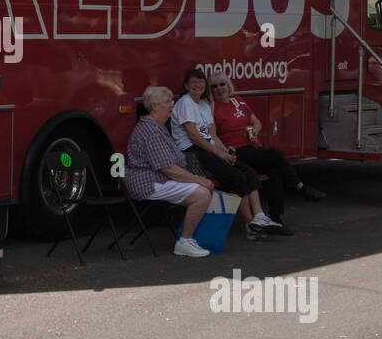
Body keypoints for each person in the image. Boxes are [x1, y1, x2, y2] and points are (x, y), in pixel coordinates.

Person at [171, 67, 285, 239]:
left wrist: (225, 151)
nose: (198, 85)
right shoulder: (185, 103)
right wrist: (219, 154)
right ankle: (250, 225)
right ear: (186, 85)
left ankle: (260, 217)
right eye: (193, 82)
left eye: (201, 82)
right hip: (193, 152)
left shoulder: (203, 104)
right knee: (236, 177)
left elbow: (212, 135)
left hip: (209, 148)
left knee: (248, 171)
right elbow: (194, 136)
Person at [208, 71, 325, 230]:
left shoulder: (238, 101)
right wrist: (223, 152)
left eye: (222, 84)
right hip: (237, 151)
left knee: (274, 170)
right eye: (214, 86)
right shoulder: (212, 108)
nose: (219, 88)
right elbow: (212, 135)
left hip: (252, 147)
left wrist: (254, 131)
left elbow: (257, 123)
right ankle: (301, 188)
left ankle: (276, 218)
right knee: (276, 154)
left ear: (228, 85)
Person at [126, 85, 214, 257]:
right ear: (155, 106)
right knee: (202, 194)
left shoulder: (157, 127)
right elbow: (169, 169)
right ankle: (185, 241)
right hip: (149, 183)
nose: (172, 105)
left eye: (172, 101)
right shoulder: (151, 131)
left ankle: (192, 238)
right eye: (168, 102)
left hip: (158, 178)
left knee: (203, 188)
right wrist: (198, 180)